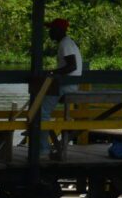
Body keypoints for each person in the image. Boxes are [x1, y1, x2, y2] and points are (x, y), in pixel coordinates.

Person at [30, 17, 86, 151]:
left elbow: (72, 66)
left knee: (41, 112)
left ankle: (42, 149)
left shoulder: (65, 44)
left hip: (67, 85)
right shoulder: (68, 42)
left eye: (51, 30)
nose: (49, 33)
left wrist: (51, 73)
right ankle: (43, 143)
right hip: (68, 84)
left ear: (59, 30)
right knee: (40, 107)